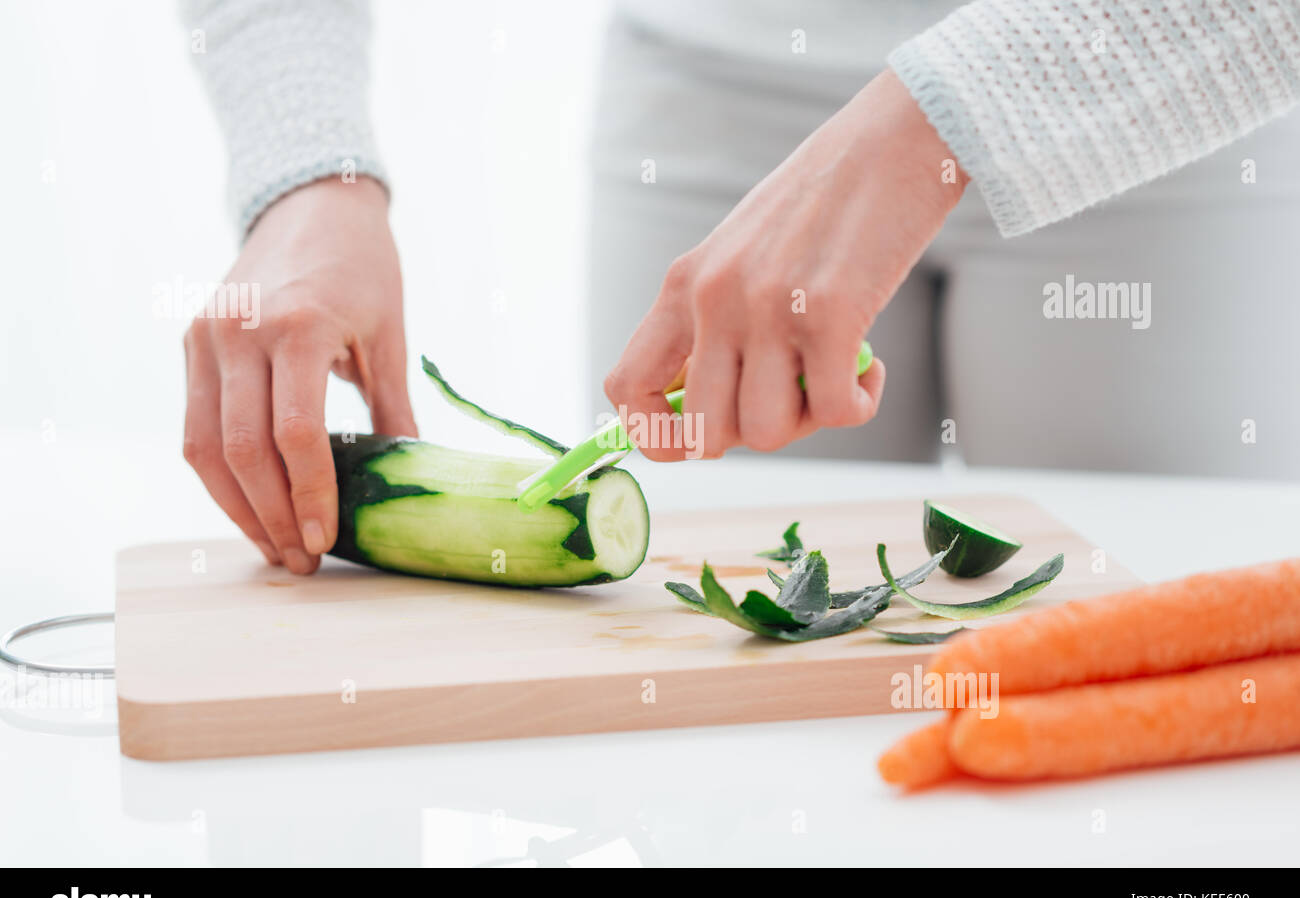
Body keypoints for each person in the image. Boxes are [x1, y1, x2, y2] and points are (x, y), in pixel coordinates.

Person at [181, 0, 1300, 574]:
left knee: (1163, 623)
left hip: (1146, 78)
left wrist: (934, 125)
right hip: (703, 78)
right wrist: (307, 171)